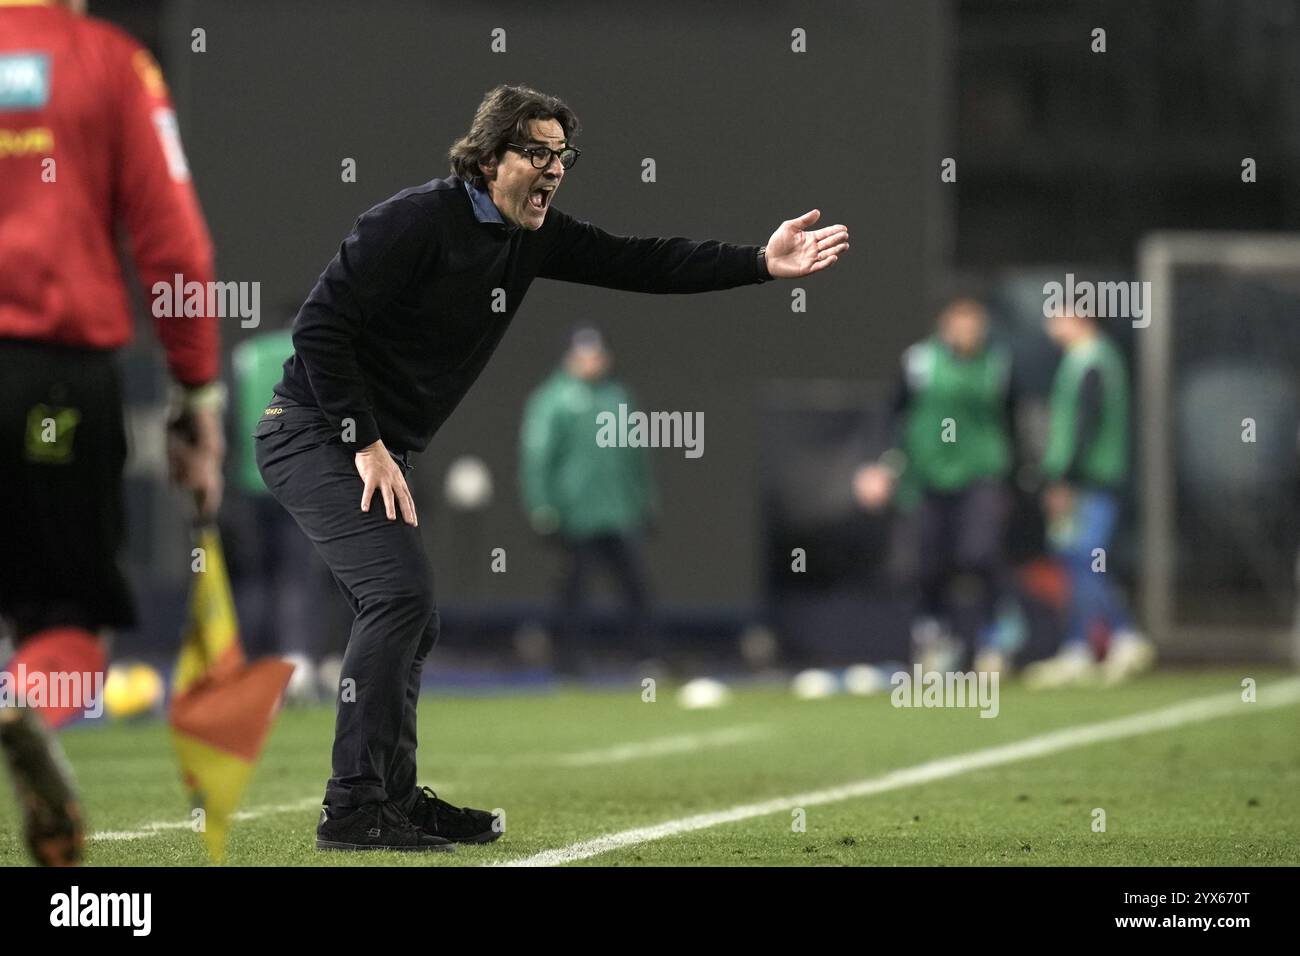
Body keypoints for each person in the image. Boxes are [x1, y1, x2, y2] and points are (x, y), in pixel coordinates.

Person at [255, 83, 849, 852]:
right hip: (310, 430)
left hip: (369, 443)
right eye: (537, 152)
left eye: (563, 156)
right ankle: (352, 806)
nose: (556, 169)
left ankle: (394, 799)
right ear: (488, 155)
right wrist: (364, 440)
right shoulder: (413, 220)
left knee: (410, 612)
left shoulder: (530, 237)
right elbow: (319, 329)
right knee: (398, 596)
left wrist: (760, 263)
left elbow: (644, 261)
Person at [0, 0, 222, 865]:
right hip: (54, 378)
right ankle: (24, 707)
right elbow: (176, 250)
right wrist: (195, 391)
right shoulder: (112, 64)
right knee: (68, 618)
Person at [853, 297, 1020, 673]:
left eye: (974, 323)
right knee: (928, 564)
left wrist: (1016, 477)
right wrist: (878, 465)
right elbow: (890, 412)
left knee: (980, 554)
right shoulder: (920, 362)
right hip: (927, 477)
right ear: (945, 324)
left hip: (981, 475)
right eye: (960, 322)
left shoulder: (998, 365)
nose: (967, 331)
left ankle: (997, 637)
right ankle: (935, 637)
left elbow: (1012, 420)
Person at [1022, 306, 1155, 688]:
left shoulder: (1091, 361)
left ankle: (1125, 635)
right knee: (1074, 560)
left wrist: (1064, 480)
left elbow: (1084, 425)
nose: (1051, 325)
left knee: (1085, 558)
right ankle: (1079, 647)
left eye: (1058, 316)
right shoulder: (1089, 360)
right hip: (1088, 479)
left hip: (1090, 481)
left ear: (1080, 319)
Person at [521, 326, 658, 677]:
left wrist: (645, 503)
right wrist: (543, 506)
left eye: (596, 354)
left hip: (620, 513)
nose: (591, 361)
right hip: (575, 514)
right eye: (584, 354)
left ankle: (646, 658)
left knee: (637, 588)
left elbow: (635, 457)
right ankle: (569, 663)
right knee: (573, 592)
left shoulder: (617, 396)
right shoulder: (553, 399)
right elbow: (537, 457)